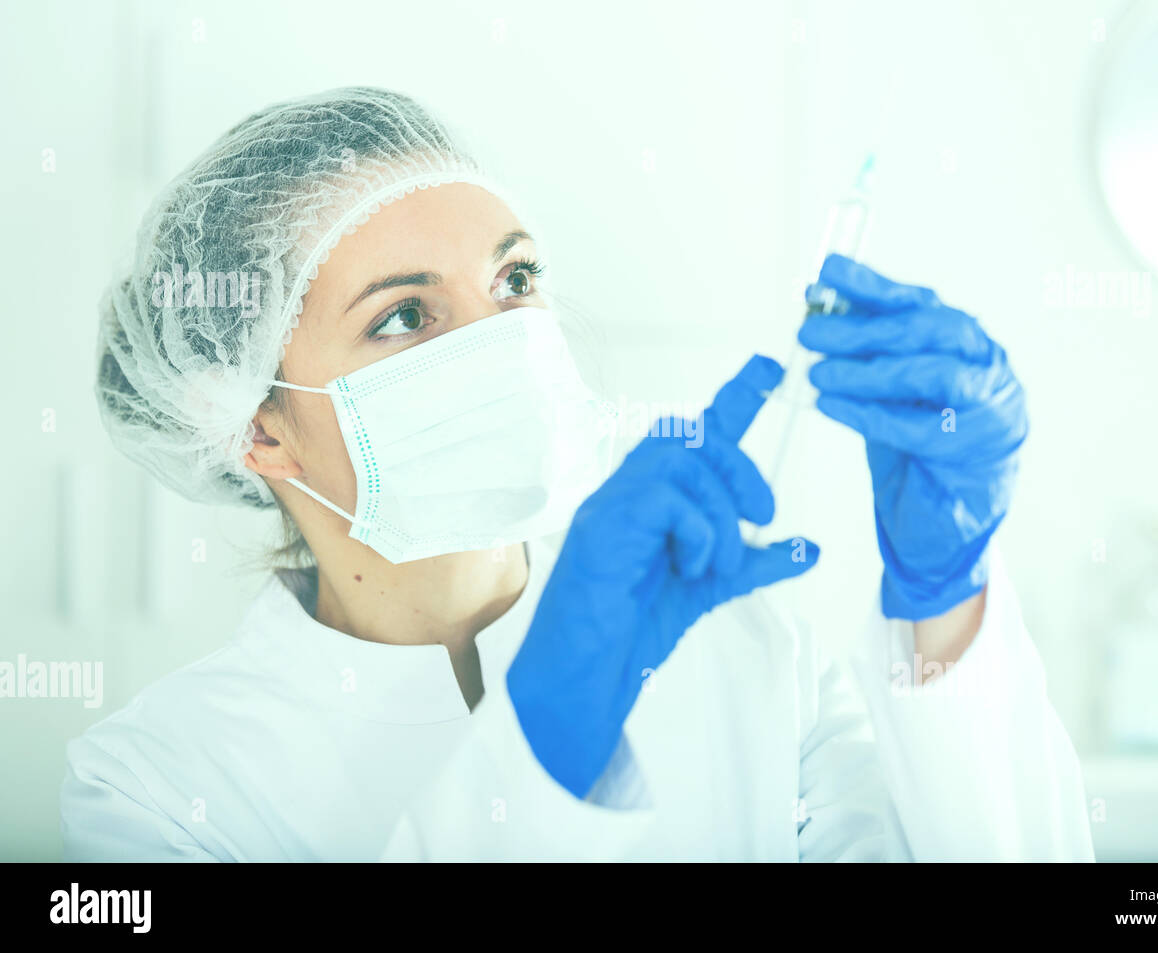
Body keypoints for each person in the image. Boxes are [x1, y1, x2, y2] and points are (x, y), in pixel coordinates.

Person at [63, 86, 1094, 861]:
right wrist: (547, 729)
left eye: (514, 279)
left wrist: (945, 602)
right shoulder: (160, 786)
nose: (504, 342)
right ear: (261, 431)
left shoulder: (743, 650)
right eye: (405, 316)